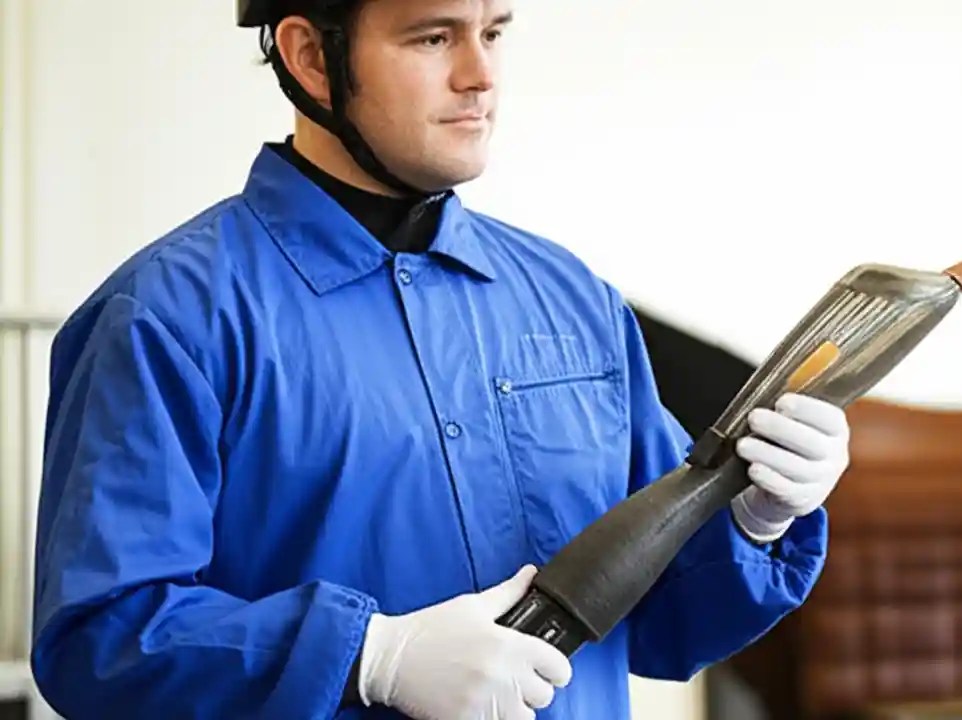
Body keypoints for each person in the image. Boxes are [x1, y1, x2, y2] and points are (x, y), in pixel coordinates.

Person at [28, 1, 852, 718]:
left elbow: (666, 625)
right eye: (432, 38)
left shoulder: (573, 301)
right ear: (312, 55)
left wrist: (754, 520)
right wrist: (370, 658)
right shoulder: (167, 316)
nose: (480, 75)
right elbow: (99, 640)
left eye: (494, 31)